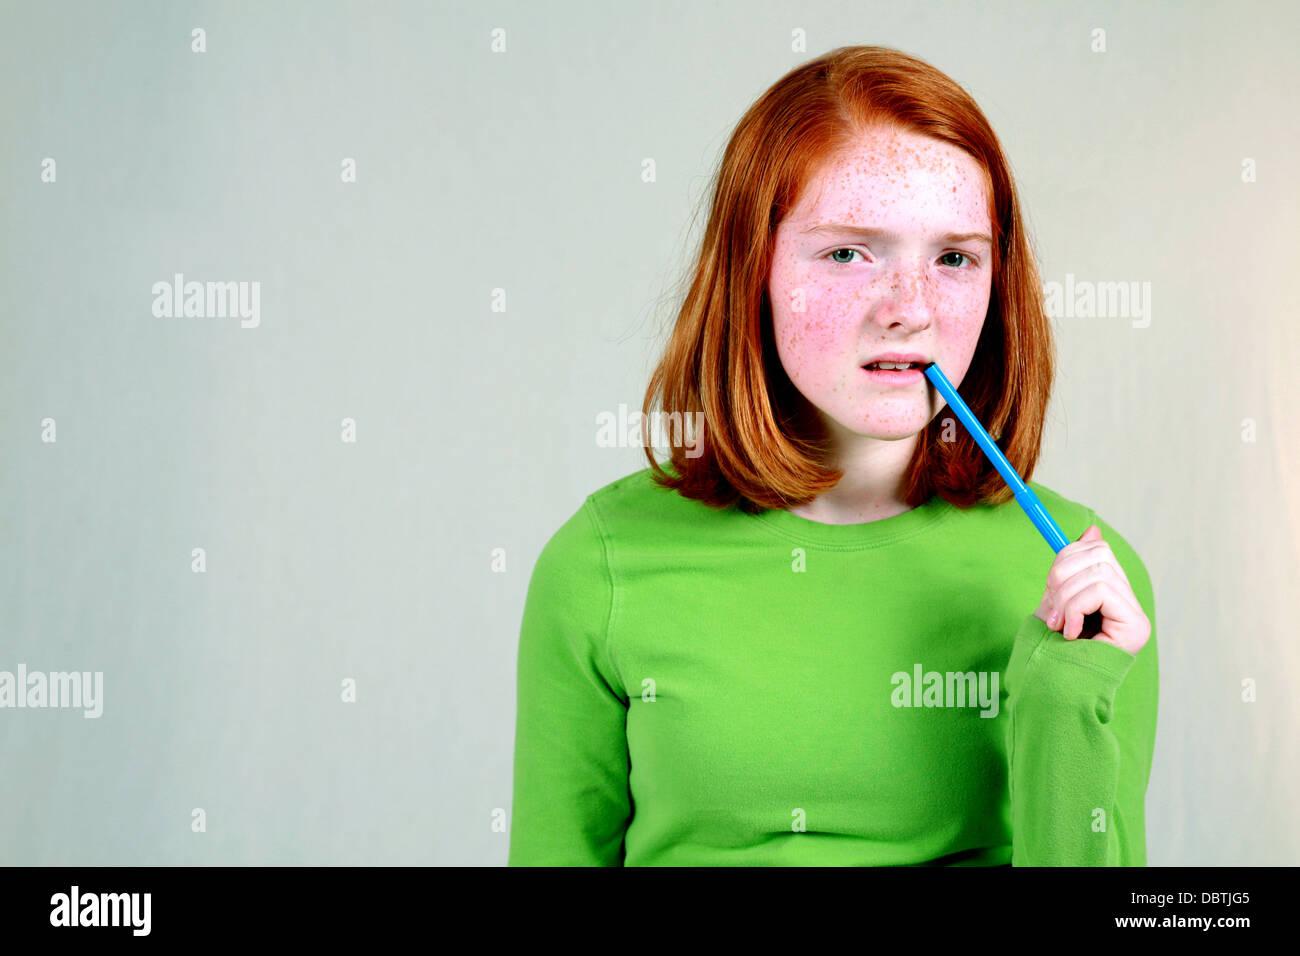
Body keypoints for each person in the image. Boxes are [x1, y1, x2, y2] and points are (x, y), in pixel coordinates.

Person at [508, 45, 1158, 866]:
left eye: (955, 257)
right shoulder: (598, 563)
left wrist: (1069, 704)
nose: (910, 310)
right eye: (850, 252)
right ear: (754, 271)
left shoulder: (1087, 585)